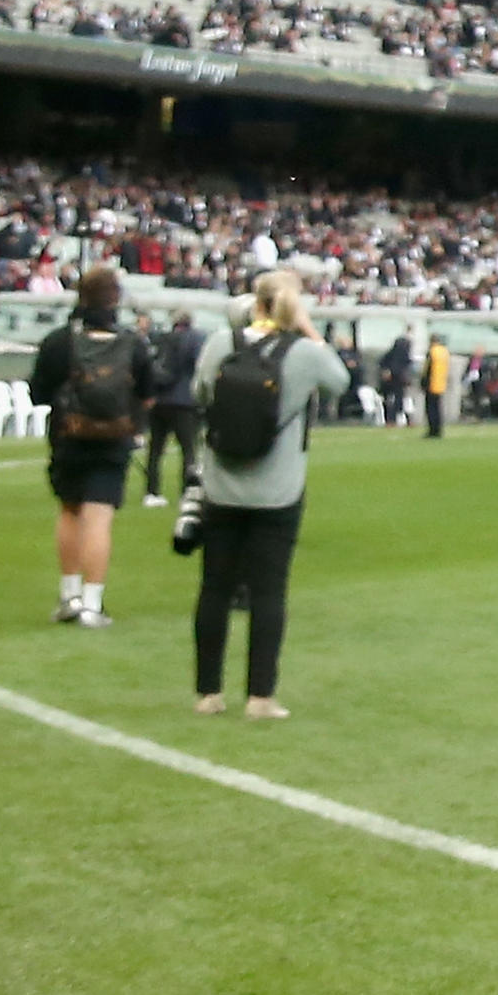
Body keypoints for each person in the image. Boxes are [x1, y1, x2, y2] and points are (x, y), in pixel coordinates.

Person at [184, 267, 354, 719]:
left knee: (214, 588)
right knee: (268, 592)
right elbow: (340, 381)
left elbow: (200, 391)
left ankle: (208, 692)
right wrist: (310, 331)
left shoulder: (222, 343)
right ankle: (260, 695)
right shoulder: (303, 352)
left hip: (221, 483)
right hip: (277, 487)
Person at [29, 265, 142, 629]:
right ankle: (93, 603)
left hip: (68, 435)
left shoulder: (60, 341)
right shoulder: (131, 342)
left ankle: (69, 595)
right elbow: (148, 390)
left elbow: (38, 393)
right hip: (113, 439)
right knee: (99, 517)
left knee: (70, 512)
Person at [136, 297, 204, 506]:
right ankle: (186, 491)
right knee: (188, 449)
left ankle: (152, 491)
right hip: (184, 401)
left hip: (159, 399)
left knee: (155, 448)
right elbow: (199, 366)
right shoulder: (196, 338)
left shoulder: (161, 338)